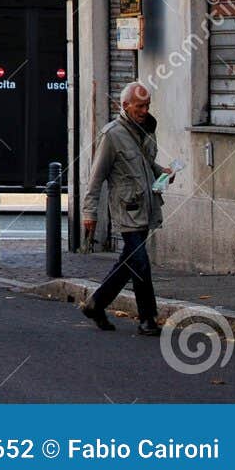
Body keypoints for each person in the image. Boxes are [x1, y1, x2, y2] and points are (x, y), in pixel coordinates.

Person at [80, 81, 172, 335]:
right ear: (125, 106)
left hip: (146, 205)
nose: (144, 110)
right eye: (140, 106)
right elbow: (96, 177)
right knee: (140, 261)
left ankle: (96, 304)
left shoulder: (145, 130)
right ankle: (147, 319)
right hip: (126, 208)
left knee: (130, 261)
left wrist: (161, 172)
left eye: (147, 105)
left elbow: (146, 162)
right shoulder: (112, 135)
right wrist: (90, 212)